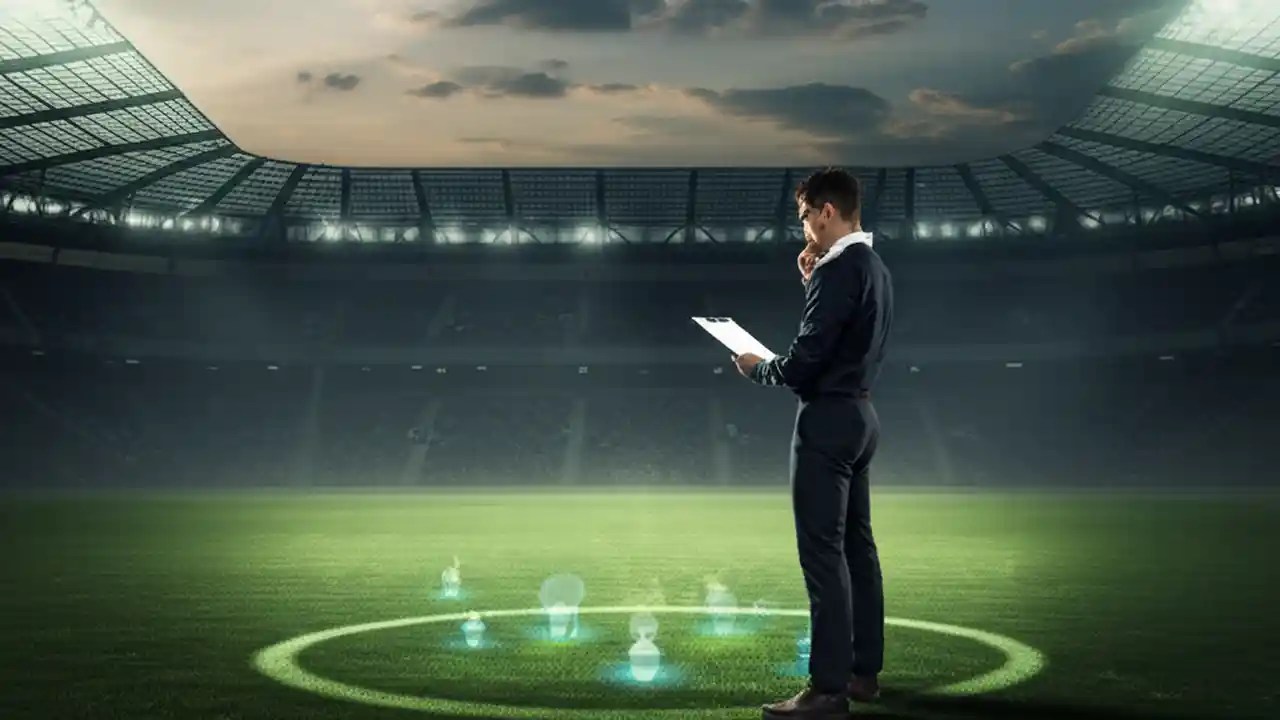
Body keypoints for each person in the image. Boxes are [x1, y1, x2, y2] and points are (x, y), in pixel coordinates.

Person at [732, 168, 894, 719]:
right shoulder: (874, 267)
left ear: (827, 211)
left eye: (805, 217)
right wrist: (811, 283)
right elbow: (844, 338)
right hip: (862, 415)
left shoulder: (837, 269)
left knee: (822, 555)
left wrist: (756, 367)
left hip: (827, 420)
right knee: (858, 550)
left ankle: (827, 691)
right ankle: (863, 674)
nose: (804, 229)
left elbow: (805, 362)